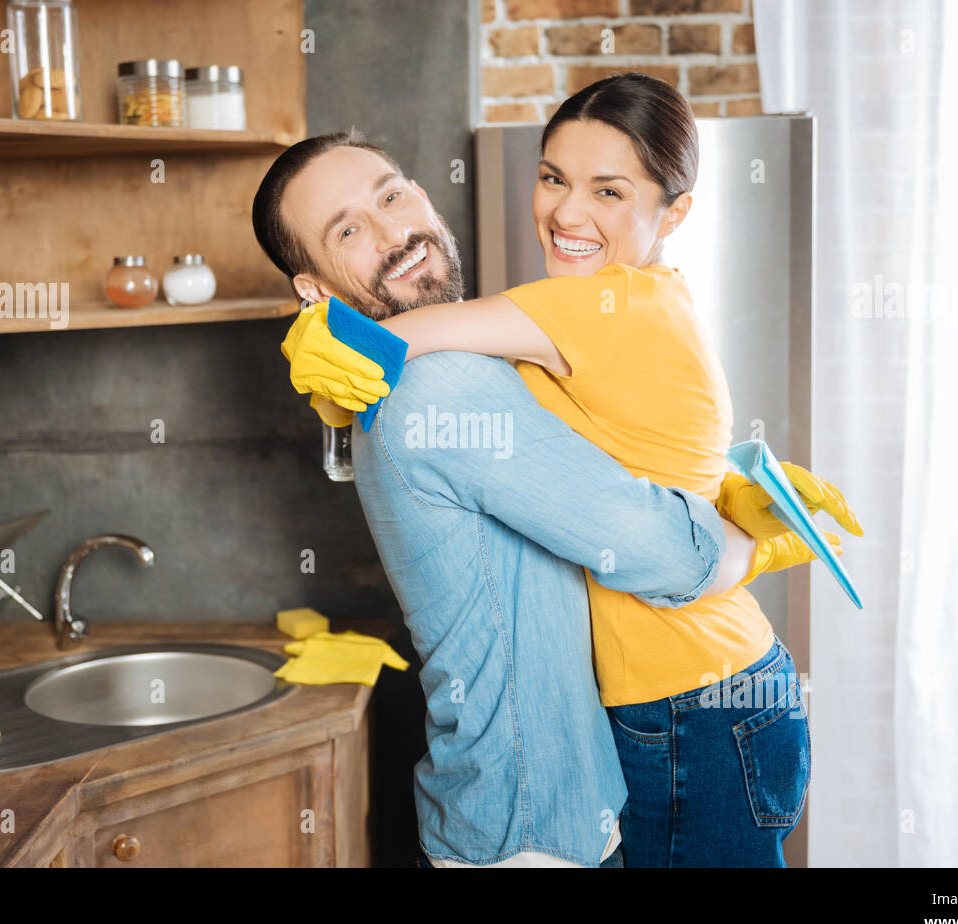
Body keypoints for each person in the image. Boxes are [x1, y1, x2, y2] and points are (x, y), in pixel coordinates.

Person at [280, 74, 864, 867]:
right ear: (312, 287)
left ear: (421, 194)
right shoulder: (439, 382)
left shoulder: (465, 352)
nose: (393, 235)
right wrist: (746, 544)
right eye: (346, 232)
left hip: (627, 753)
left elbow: (598, 456)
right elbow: (660, 550)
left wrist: (355, 352)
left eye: (390, 199)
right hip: (538, 829)